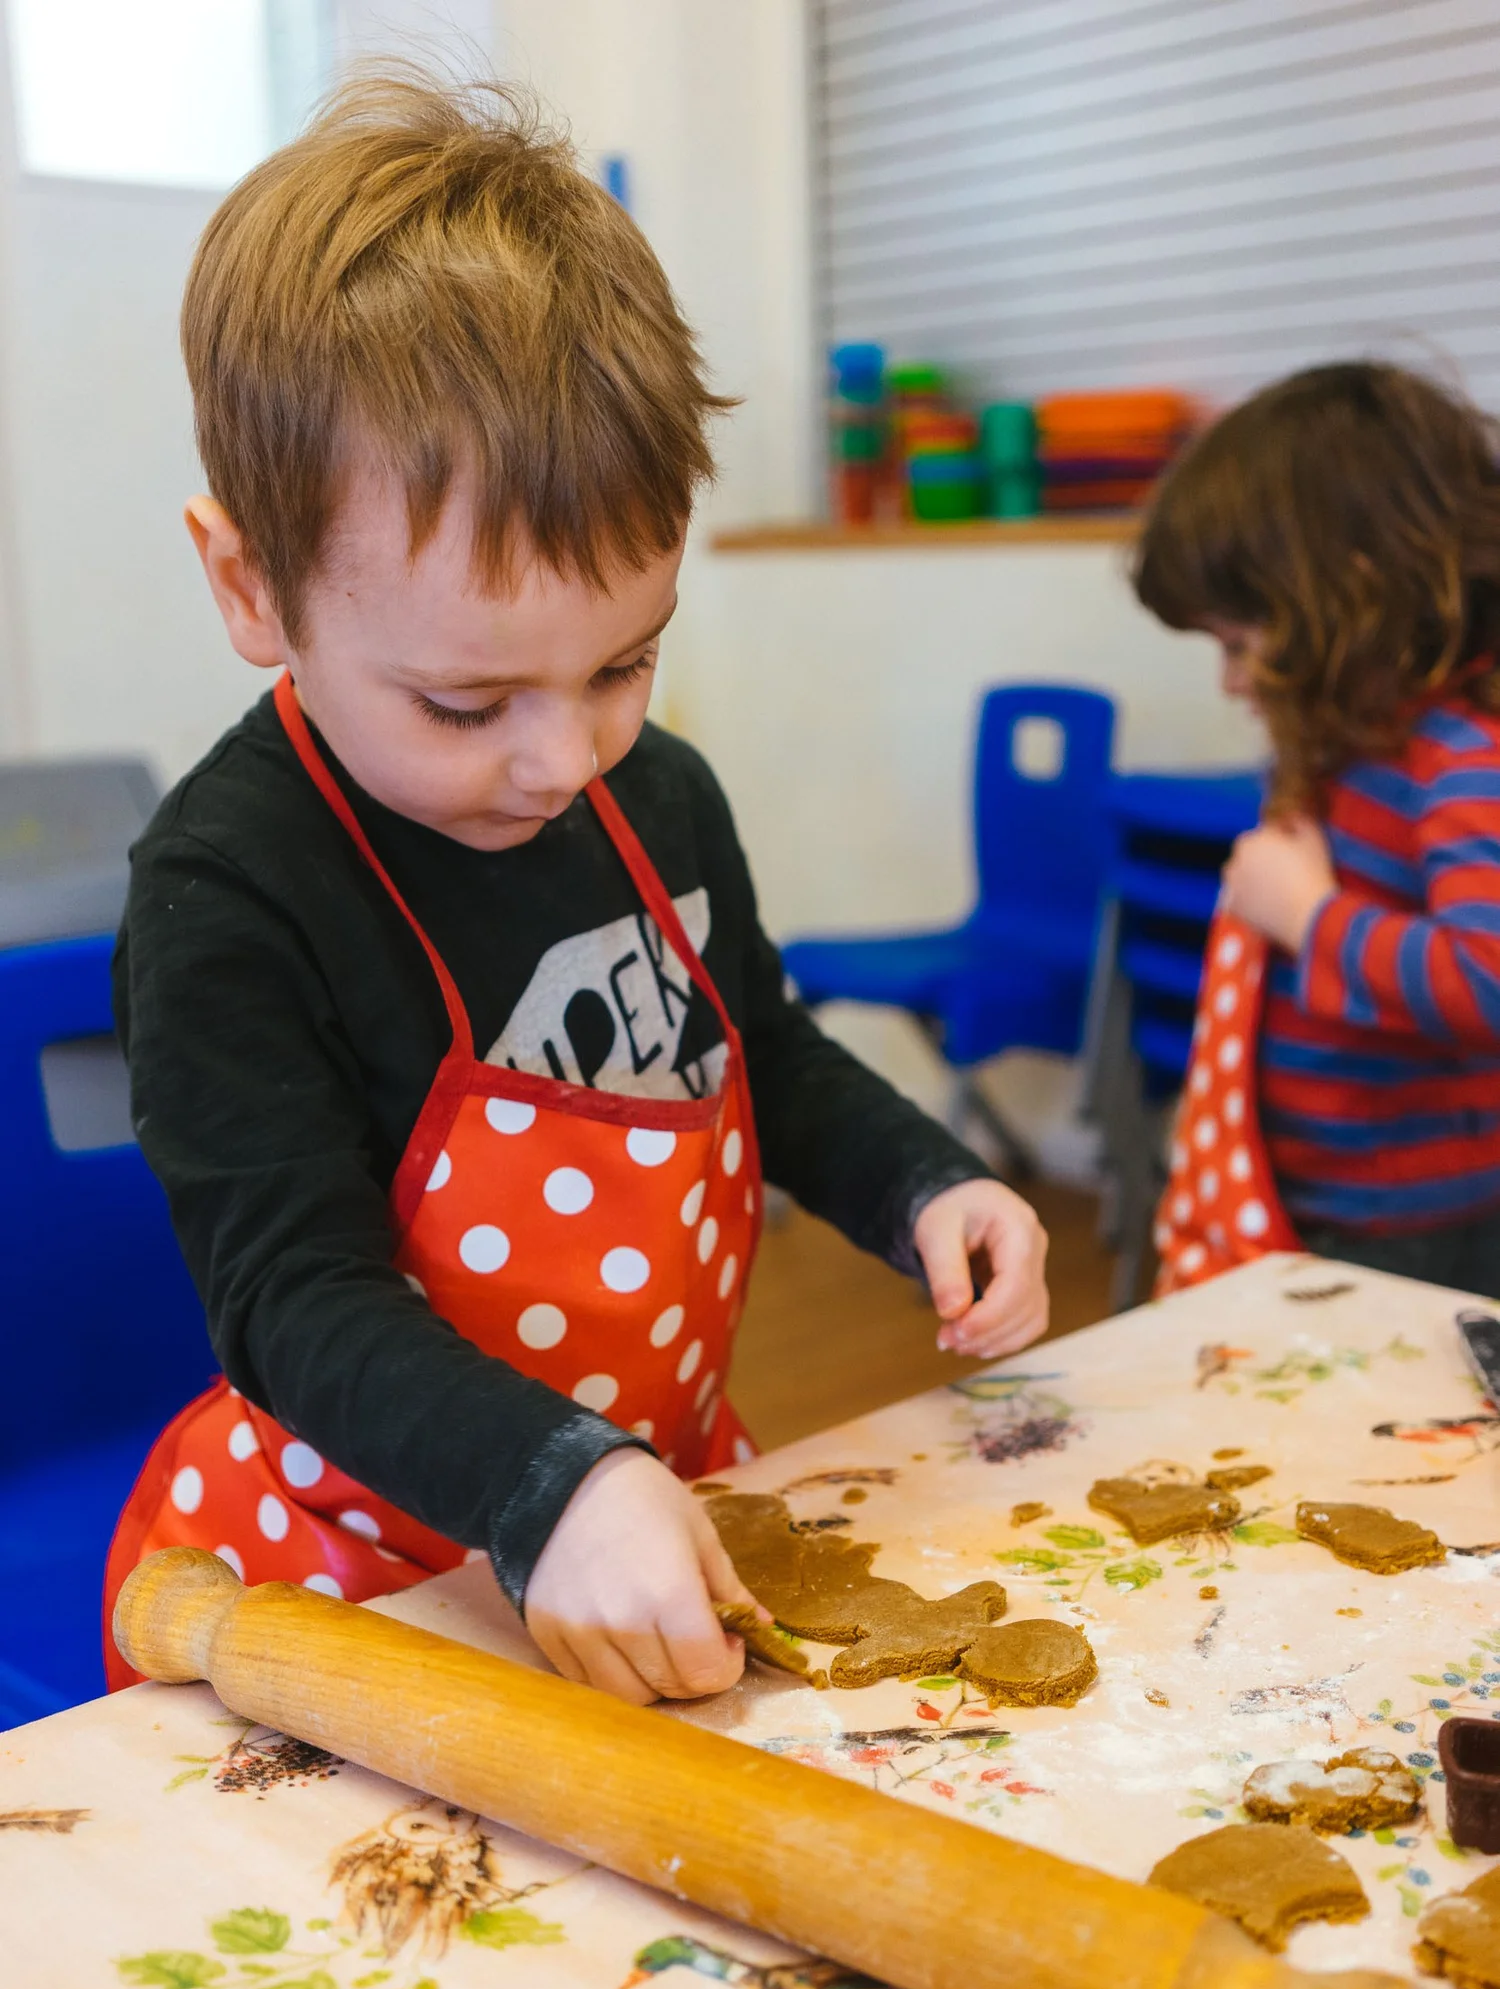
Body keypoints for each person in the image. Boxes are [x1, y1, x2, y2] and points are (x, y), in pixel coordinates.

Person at [104, 74, 1048, 1705]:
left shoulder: (657, 796)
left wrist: (924, 1187)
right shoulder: (228, 894)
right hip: (353, 1567)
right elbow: (293, 1298)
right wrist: (554, 1481)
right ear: (252, 587)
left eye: (626, 664)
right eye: (469, 706)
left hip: (639, 1508)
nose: (566, 760)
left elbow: (762, 1047)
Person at [1132, 360, 1500, 1295]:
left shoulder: (1456, 754)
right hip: (1325, 1199)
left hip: (1416, 1229)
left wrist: (1309, 919)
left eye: (1239, 644)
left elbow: (1486, 982)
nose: (1229, 682)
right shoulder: (1356, 739)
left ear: (1351, 595)